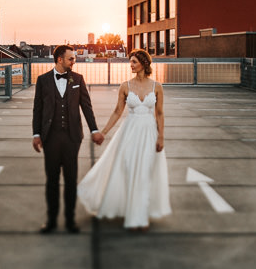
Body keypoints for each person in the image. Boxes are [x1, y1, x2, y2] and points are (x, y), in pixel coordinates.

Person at [78, 49, 171, 231]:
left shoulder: (157, 86)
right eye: (131, 62)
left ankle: (140, 217)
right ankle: (131, 211)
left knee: (144, 174)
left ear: (144, 63)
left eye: (134, 62)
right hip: (129, 133)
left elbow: (159, 113)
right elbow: (117, 112)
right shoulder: (125, 86)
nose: (131, 65)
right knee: (129, 171)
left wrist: (161, 136)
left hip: (149, 134)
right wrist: (103, 132)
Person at [32, 45, 104, 234]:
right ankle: (51, 221)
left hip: (72, 137)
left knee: (71, 179)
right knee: (52, 180)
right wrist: (36, 134)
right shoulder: (43, 80)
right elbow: (37, 109)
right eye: (71, 58)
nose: (74, 61)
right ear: (59, 60)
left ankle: (70, 220)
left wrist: (94, 129)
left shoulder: (77, 79)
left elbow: (86, 107)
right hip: (50, 137)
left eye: (74, 58)